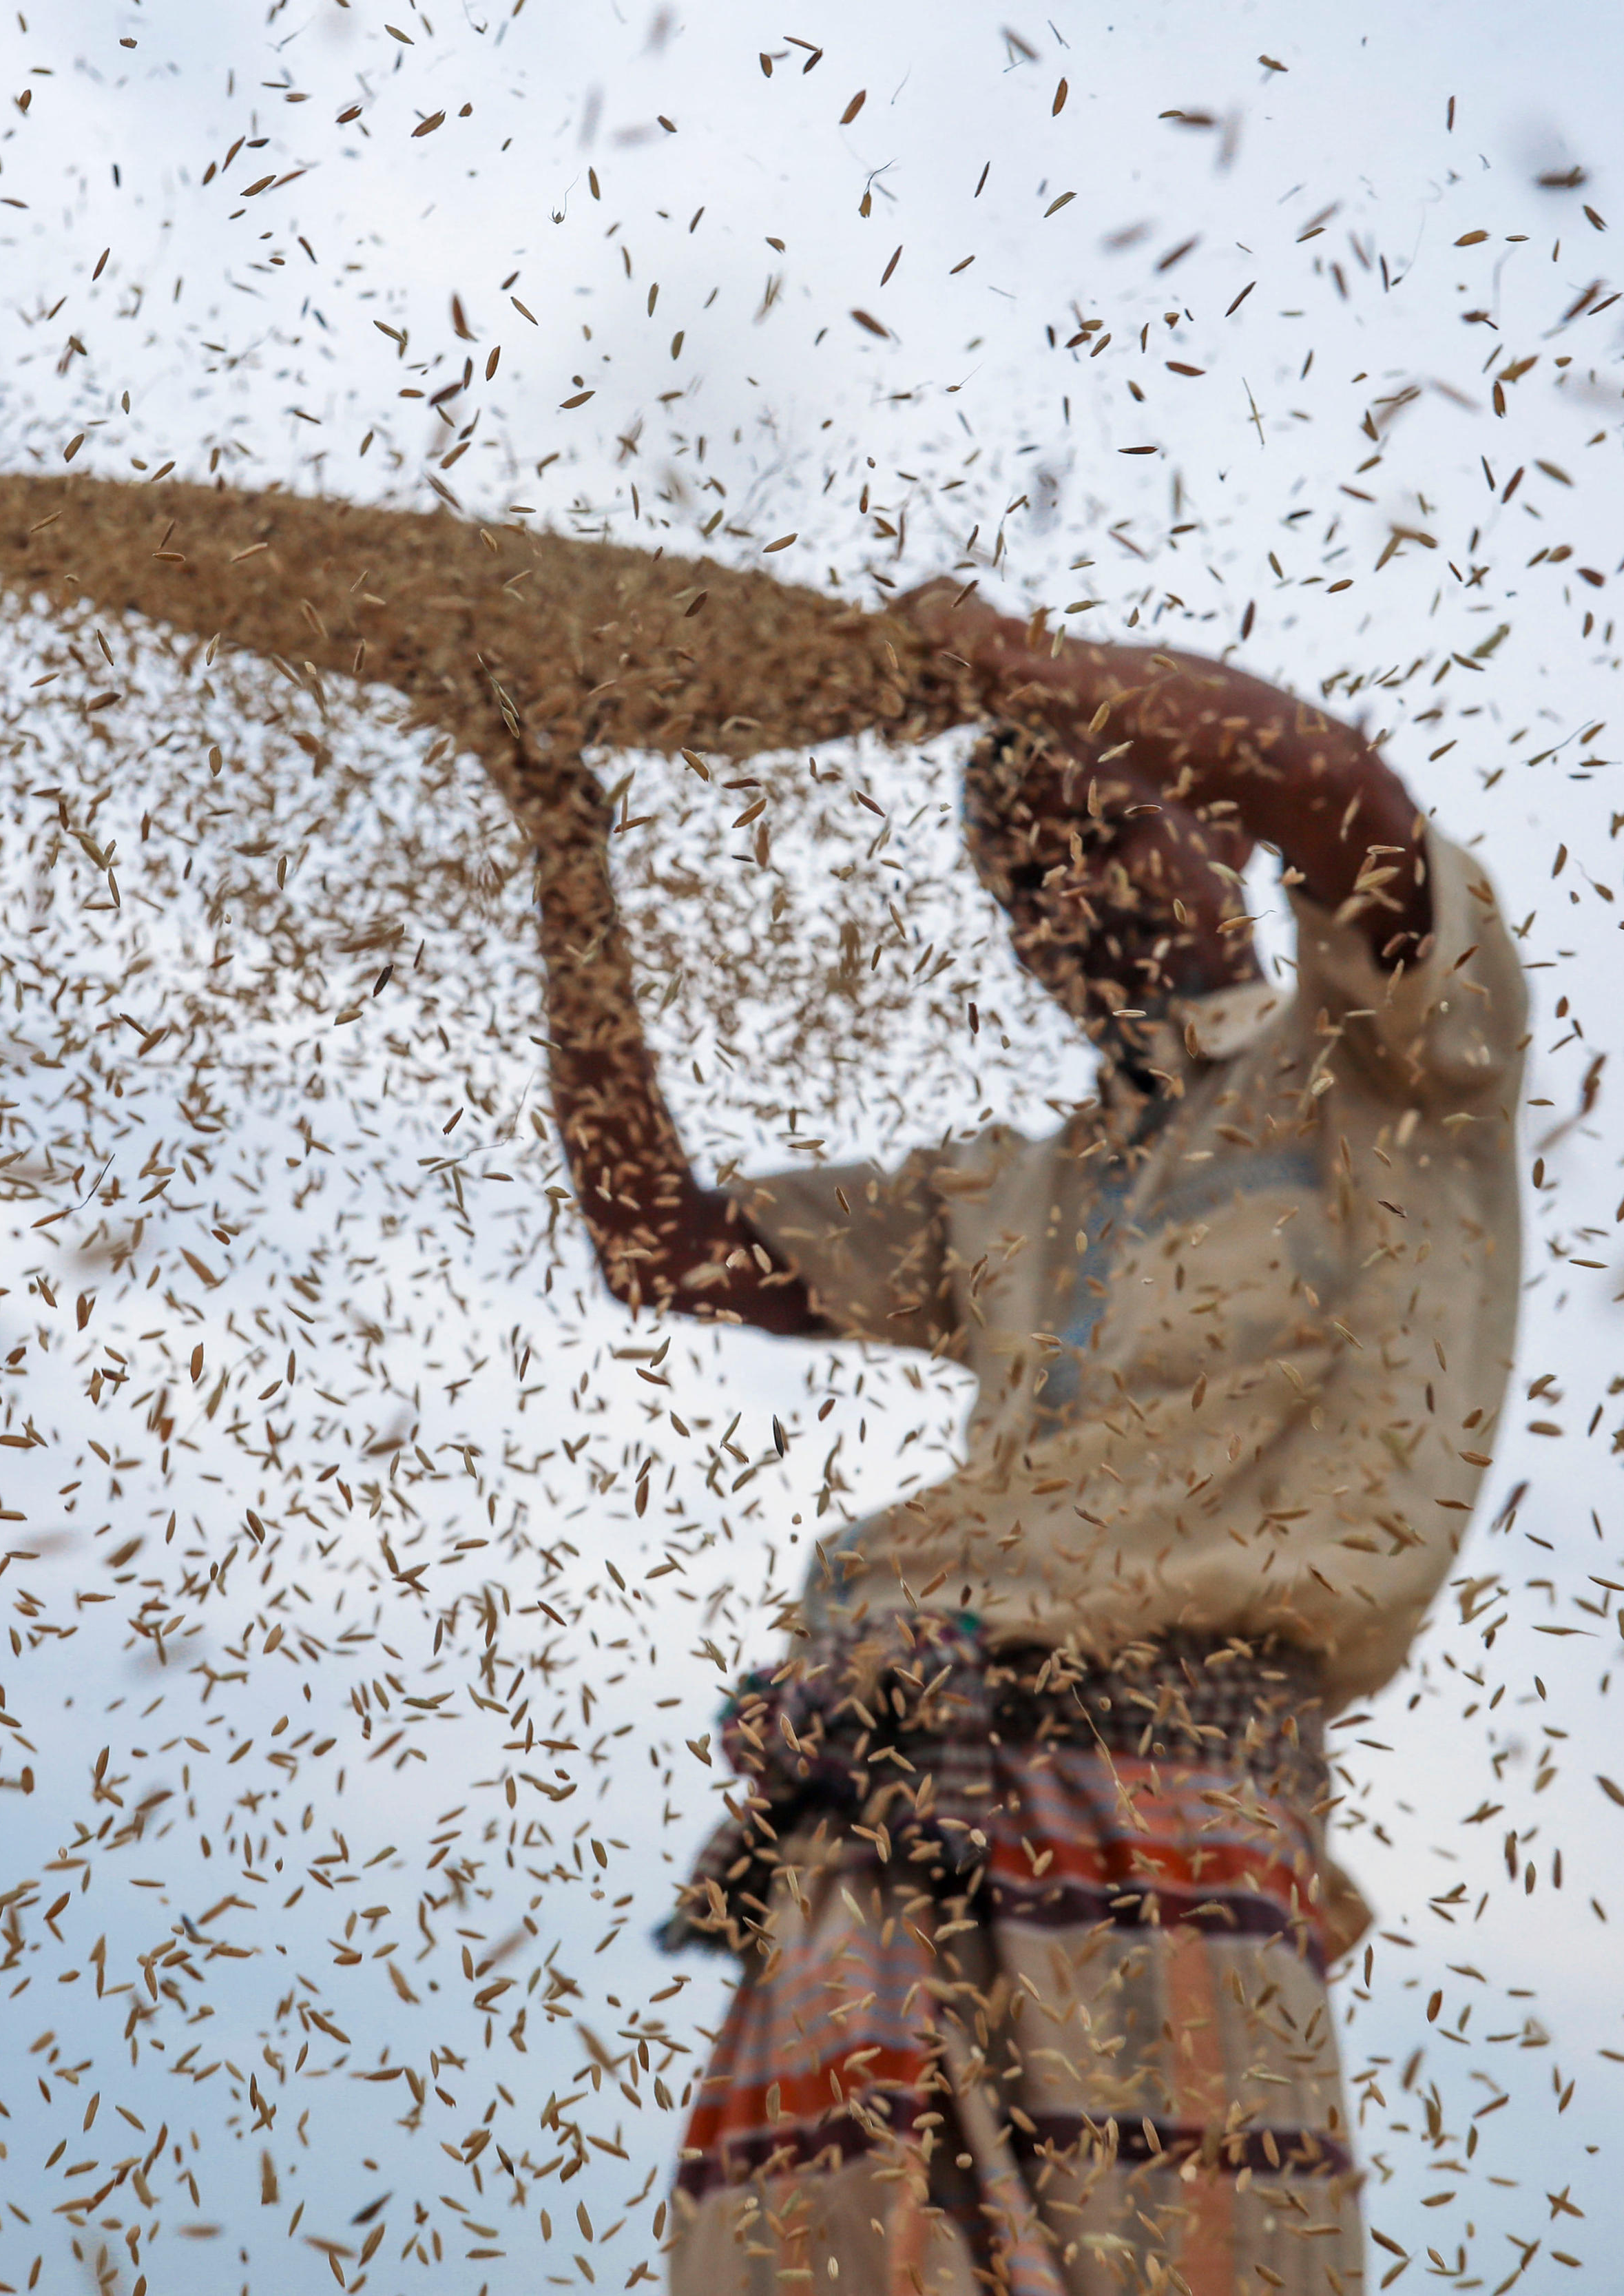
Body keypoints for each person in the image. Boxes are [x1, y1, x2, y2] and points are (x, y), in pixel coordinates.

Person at [479, 584, 1529, 2296]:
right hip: (895, 1796)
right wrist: (566, 846)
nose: (1071, 892)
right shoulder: (1012, 1191)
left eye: (1108, 826)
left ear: (1216, 837)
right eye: (1021, 874)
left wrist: (1025, 674)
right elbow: (656, 1236)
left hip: (1165, 1811)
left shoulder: (1382, 1065)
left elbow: (1340, 787)